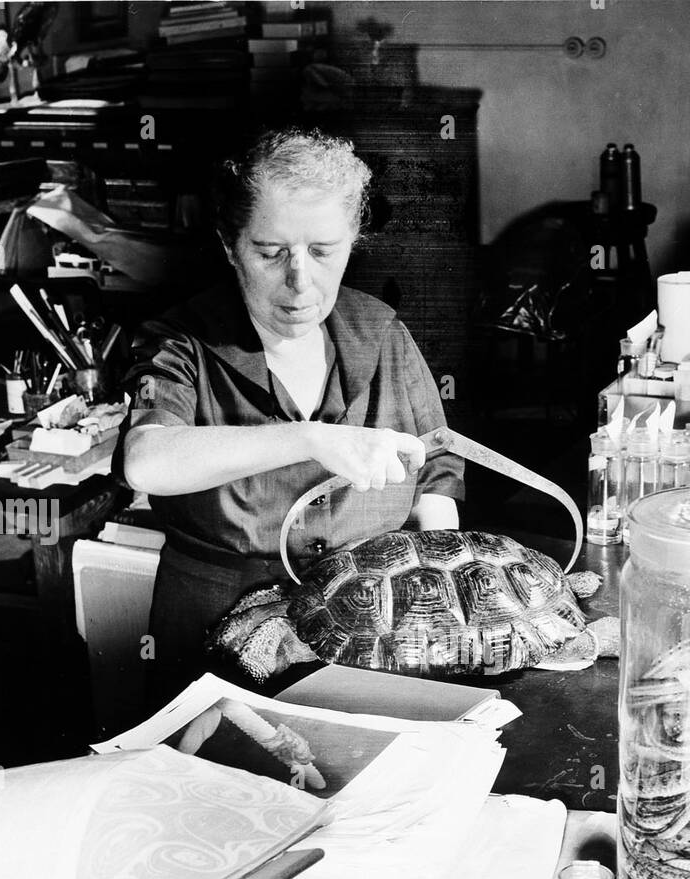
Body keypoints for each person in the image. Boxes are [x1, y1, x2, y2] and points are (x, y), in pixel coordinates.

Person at [115, 127, 465, 703]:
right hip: (215, 639)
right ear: (231, 247)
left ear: (352, 240)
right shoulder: (180, 343)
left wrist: (442, 608)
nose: (300, 280)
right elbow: (147, 461)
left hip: (370, 632)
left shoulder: (382, 333)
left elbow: (436, 470)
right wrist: (310, 438)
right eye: (271, 252)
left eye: (323, 252)